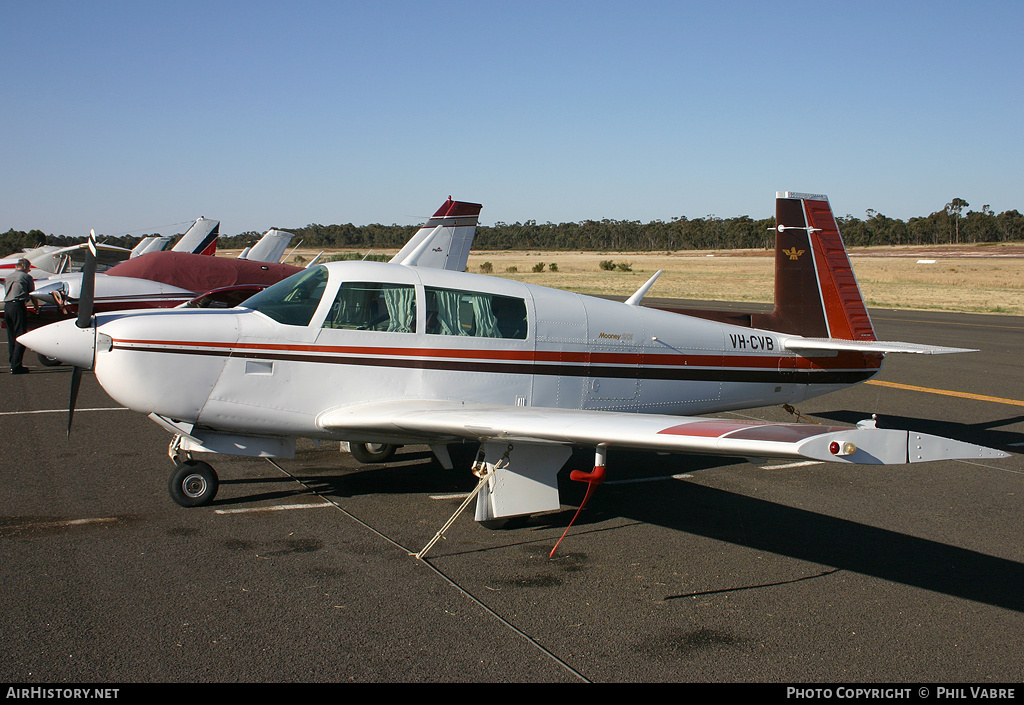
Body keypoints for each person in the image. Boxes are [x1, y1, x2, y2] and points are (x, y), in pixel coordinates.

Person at [4, 258, 34, 374]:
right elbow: (31, 293)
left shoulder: (8, 277)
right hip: (18, 306)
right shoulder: (26, 277)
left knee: (11, 335)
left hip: (8, 306)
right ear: (26, 266)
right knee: (20, 335)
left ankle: (13, 362)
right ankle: (17, 365)